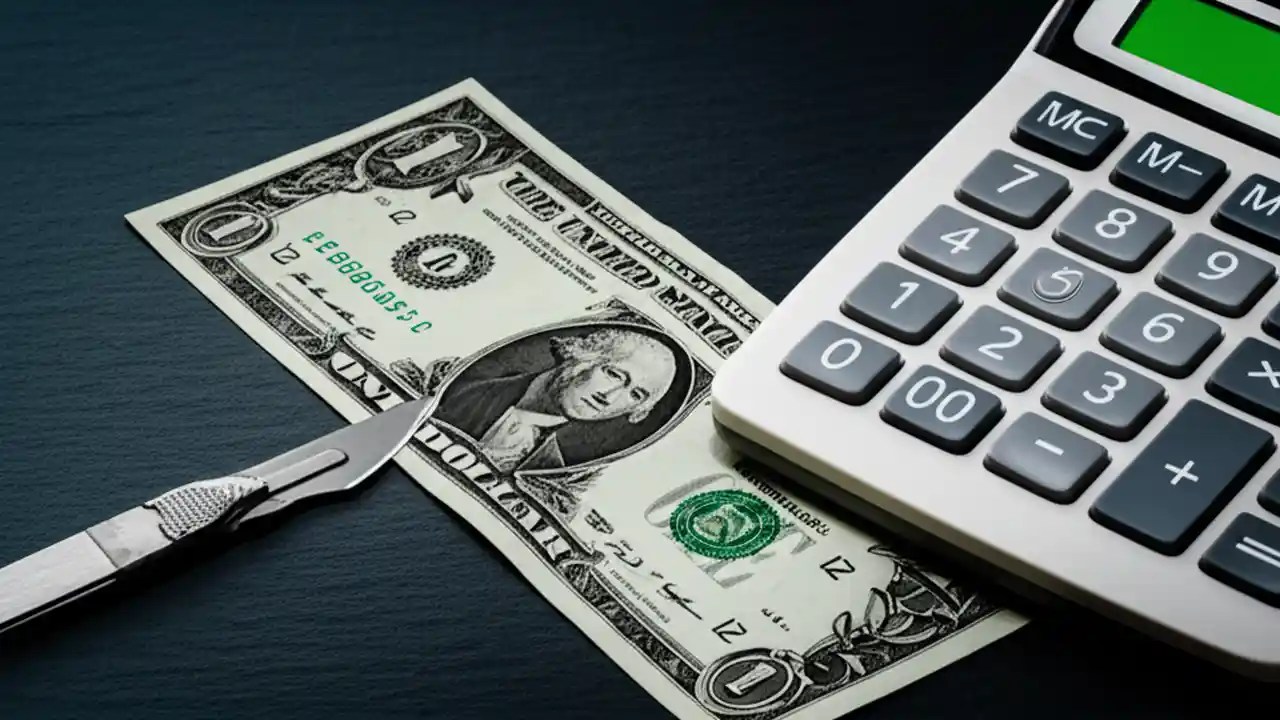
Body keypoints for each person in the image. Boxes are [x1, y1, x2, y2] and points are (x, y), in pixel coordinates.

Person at [432, 327, 678, 472]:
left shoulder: (550, 466)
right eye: (613, 374)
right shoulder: (463, 393)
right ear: (581, 357)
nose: (610, 397)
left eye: (635, 394)